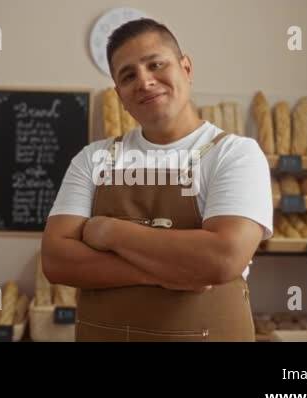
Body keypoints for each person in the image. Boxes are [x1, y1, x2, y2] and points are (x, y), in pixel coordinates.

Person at [42, 18, 272, 341]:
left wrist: (108, 230)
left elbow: (222, 258)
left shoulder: (236, 155)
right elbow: (56, 260)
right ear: (120, 95)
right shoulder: (93, 158)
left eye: (156, 64)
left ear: (186, 68)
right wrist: (165, 273)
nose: (145, 81)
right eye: (128, 75)